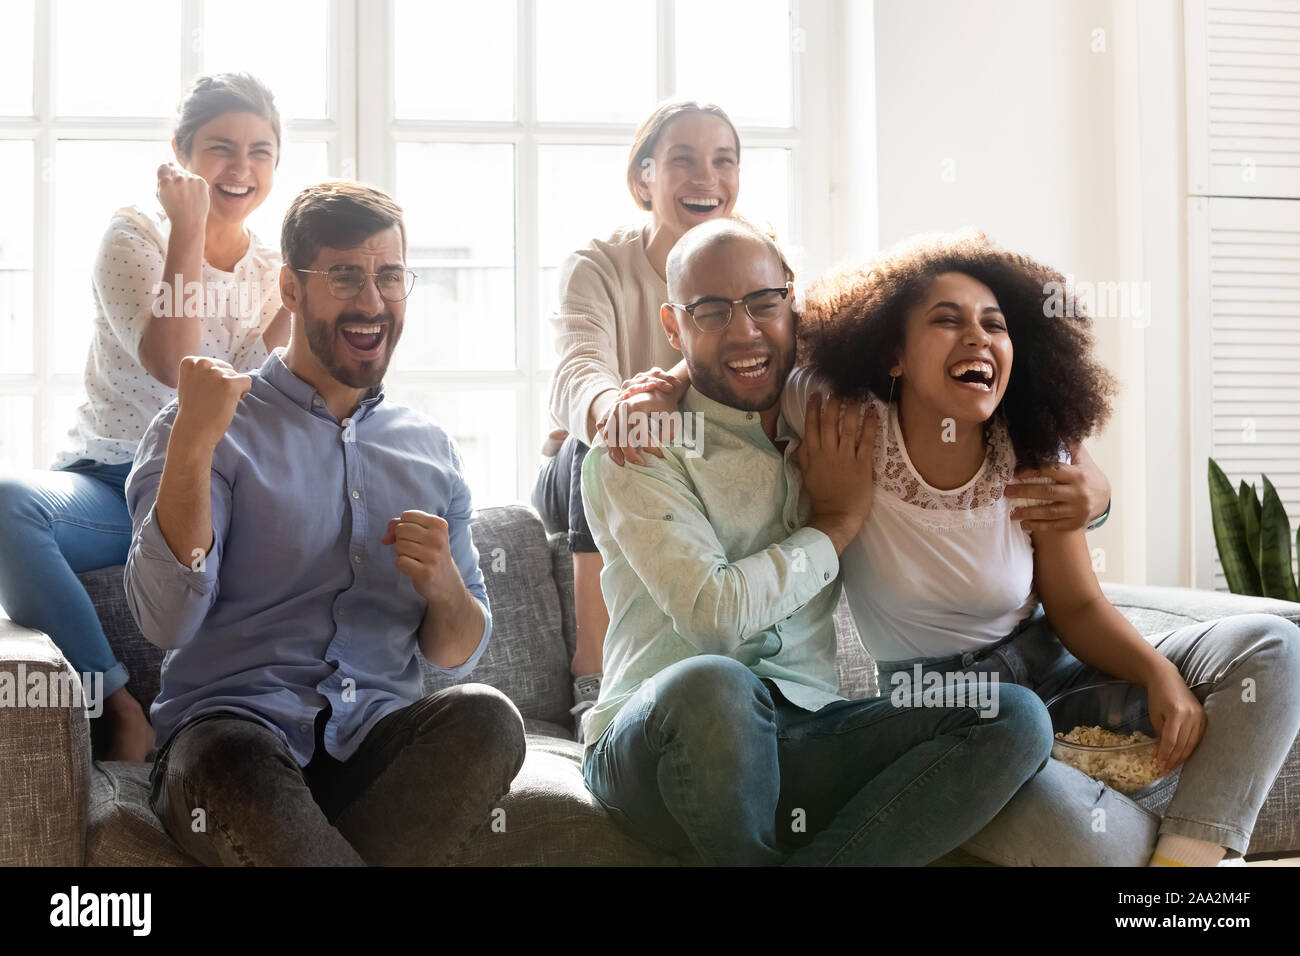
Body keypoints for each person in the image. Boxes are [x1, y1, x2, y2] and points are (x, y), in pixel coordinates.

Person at [613, 229, 1300, 866]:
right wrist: (664, 384)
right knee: (1070, 830)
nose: (976, 337)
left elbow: (1079, 607)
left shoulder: (1033, 446)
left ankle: (1193, 861)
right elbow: (748, 356)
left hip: (1051, 674)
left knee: (1277, 644)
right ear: (892, 351)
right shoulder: (840, 417)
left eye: (994, 324)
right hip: (935, 710)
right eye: (947, 320)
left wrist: (1157, 671)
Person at [579, 217, 1054, 865]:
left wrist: (1092, 497)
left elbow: (962, 463)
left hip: (802, 734)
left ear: (791, 304)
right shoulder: (639, 444)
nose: (745, 330)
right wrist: (833, 525)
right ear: (674, 327)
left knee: (1012, 716)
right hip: (658, 747)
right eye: (711, 311)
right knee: (717, 685)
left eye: (764, 303)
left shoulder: (835, 420)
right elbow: (716, 620)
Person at [123, 181, 524, 865]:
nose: (371, 302)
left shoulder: (430, 449)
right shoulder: (207, 424)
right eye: (345, 276)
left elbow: (456, 650)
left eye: (389, 276)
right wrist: (193, 443)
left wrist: (445, 586)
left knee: (488, 718)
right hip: (232, 748)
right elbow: (166, 622)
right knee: (226, 752)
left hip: (374, 750)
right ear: (290, 287)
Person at [0, 72, 291, 761]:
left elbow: (265, 389)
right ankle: (118, 705)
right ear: (181, 154)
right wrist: (188, 228)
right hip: (112, 480)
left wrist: (299, 293)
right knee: (9, 506)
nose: (241, 168)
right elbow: (173, 362)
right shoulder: (133, 233)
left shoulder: (274, 266)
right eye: (222, 147)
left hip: (206, 488)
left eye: (261, 152)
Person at [533, 98, 744, 739]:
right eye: (683, 160)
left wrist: (673, 391)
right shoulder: (598, 265)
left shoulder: (754, 262)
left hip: (699, 458)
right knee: (592, 449)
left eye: (723, 160)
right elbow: (577, 370)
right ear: (643, 179)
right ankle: (592, 674)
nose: (706, 177)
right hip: (588, 467)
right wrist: (616, 415)